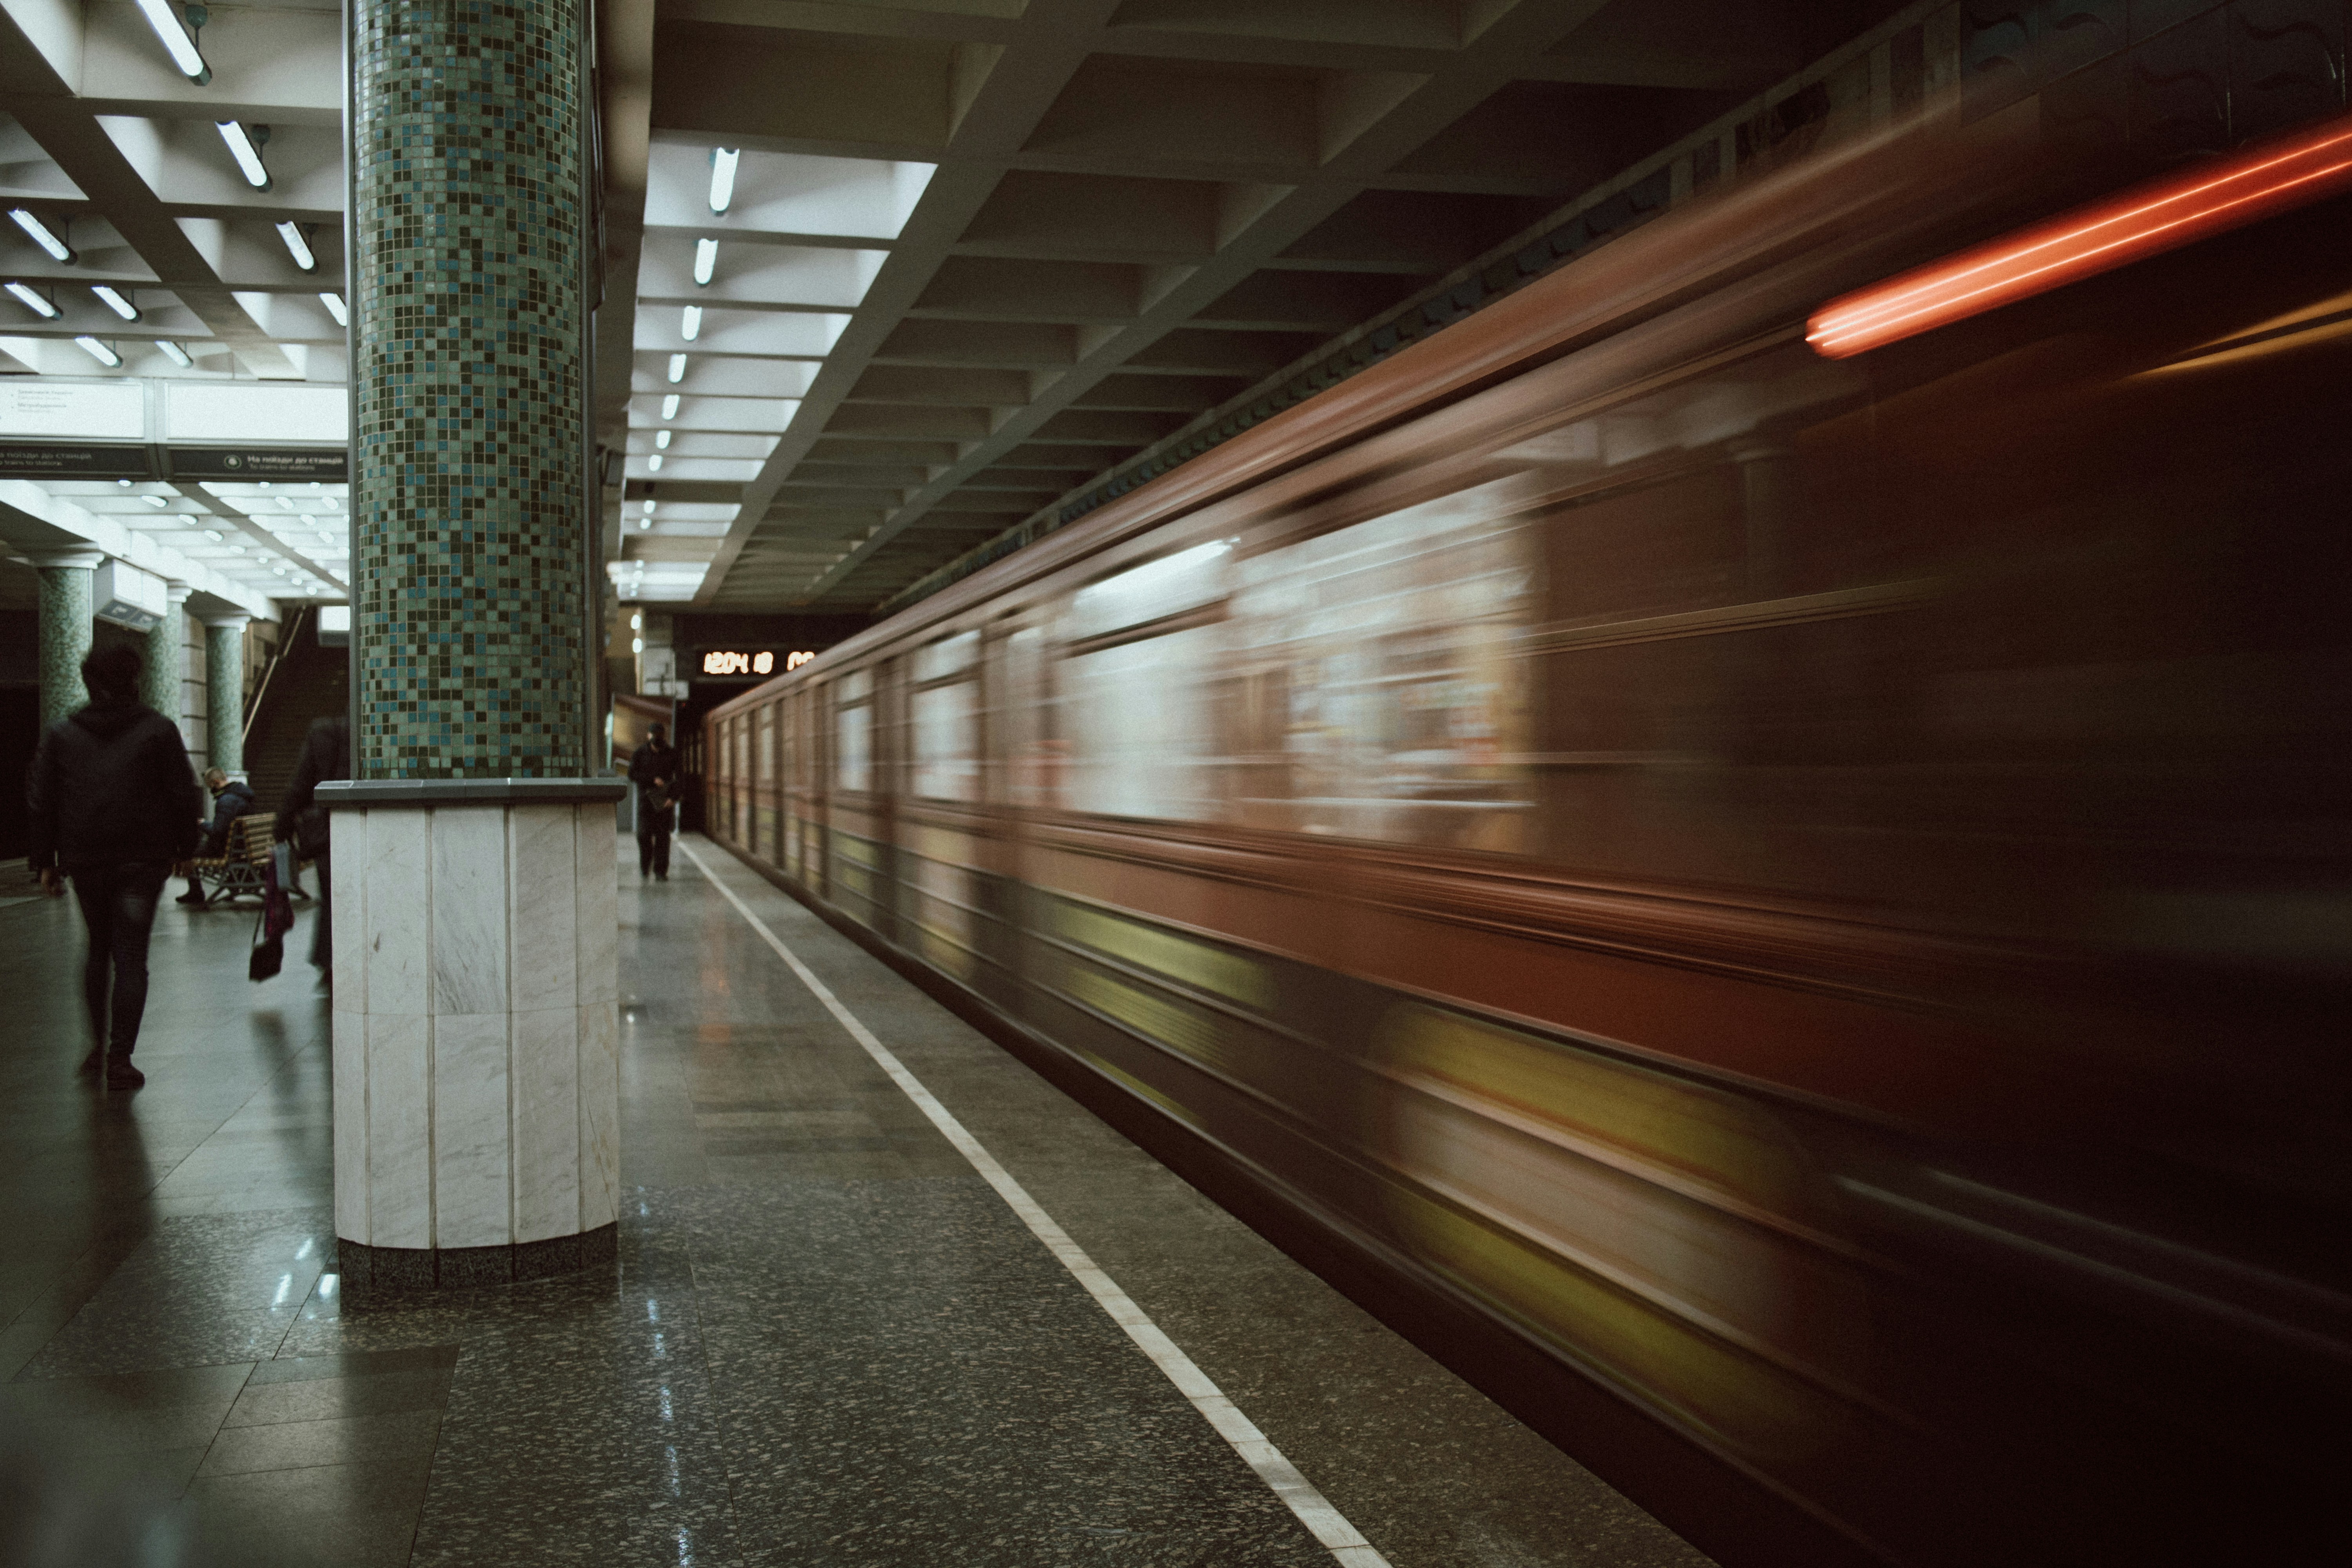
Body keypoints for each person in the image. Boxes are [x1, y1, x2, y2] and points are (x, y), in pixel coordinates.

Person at [26, 644, 203, 1089]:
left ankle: (95, 1046)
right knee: (131, 957)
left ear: (89, 683)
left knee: (97, 948)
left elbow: (43, 800)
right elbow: (182, 791)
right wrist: (187, 847)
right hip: (142, 862)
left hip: (86, 860)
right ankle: (120, 1058)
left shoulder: (62, 733)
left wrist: (45, 861)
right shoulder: (157, 730)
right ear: (134, 681)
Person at [276, 715, 348, 975]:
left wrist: (282, 828)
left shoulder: (325, 732)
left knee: (331, 896)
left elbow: (301, 784)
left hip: (329, 829)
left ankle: (328, 959)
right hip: (366, 822)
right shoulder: (368, 731)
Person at [176, 767, 257, 906]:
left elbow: (217, 831)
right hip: (240, 847)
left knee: (187, 851)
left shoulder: (226, 801)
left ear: (216, 782)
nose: (211, 791)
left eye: (210, 787)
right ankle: (230, 884)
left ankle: (196, 893)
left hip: (227, 850)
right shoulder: (242, 795)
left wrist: (202, 824)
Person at [628, 722, 679, 880]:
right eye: (654, 735)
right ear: (649, 736)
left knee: (663, 837)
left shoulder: (672, 754)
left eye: (659, 735)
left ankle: (661, 872)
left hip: (665, 802)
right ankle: (645, 865)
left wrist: (673, 798)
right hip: (646, 801)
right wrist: (652, 780)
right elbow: (632, 774)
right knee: (643, 835)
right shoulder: (640, 753)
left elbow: (680, 777)